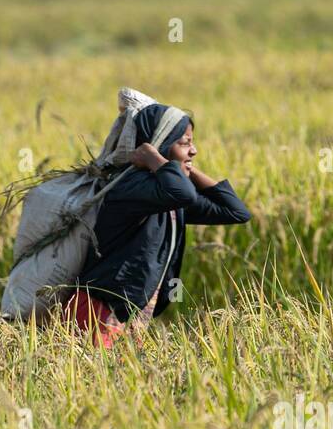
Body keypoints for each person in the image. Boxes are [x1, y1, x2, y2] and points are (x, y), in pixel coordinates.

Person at [63, 101, 251, 347]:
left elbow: (235, 211)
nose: (193, 150)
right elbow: (183, 193)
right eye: (184, 143)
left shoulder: (166, 196)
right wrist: (156, 158)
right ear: (159, 146)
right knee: (96, 379)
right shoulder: (130, 187)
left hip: (129, 314)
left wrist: (186, 168)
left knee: (122, 381)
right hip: (98, 310)